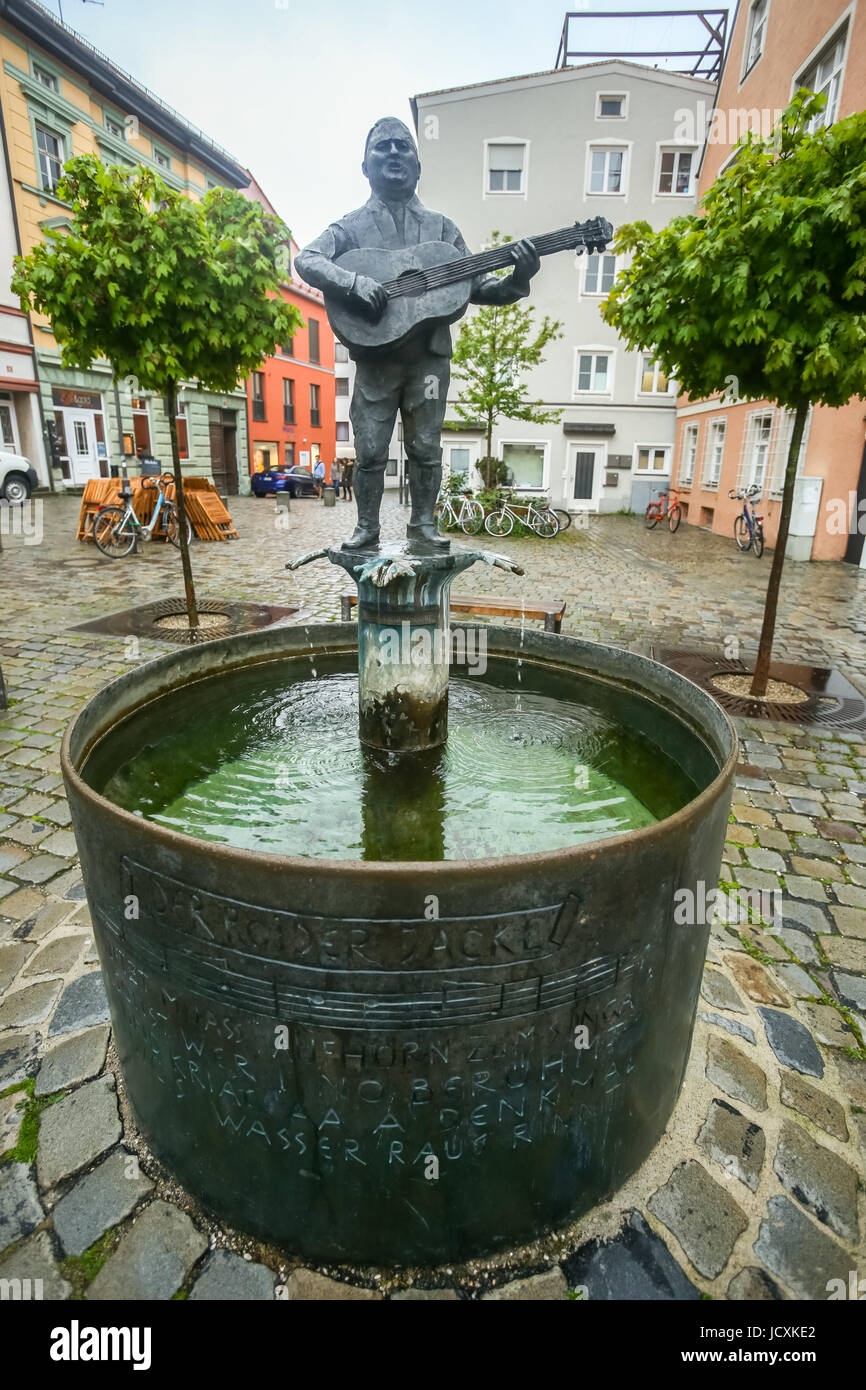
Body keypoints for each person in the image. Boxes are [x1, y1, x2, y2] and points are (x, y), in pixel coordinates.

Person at [295, 116, 540, 551]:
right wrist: (353, 283)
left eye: (403, 146)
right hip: (375, 357)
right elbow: (309, 259)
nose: (394, 153)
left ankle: (423, 524)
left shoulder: (442, 229)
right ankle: (366, 527)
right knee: (370, 449)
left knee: (426, 445)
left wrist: (519, 279)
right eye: (383, 146)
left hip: (428, 359)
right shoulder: (350, 227)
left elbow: (480, 288)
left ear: (417, 165)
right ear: (365, 166)